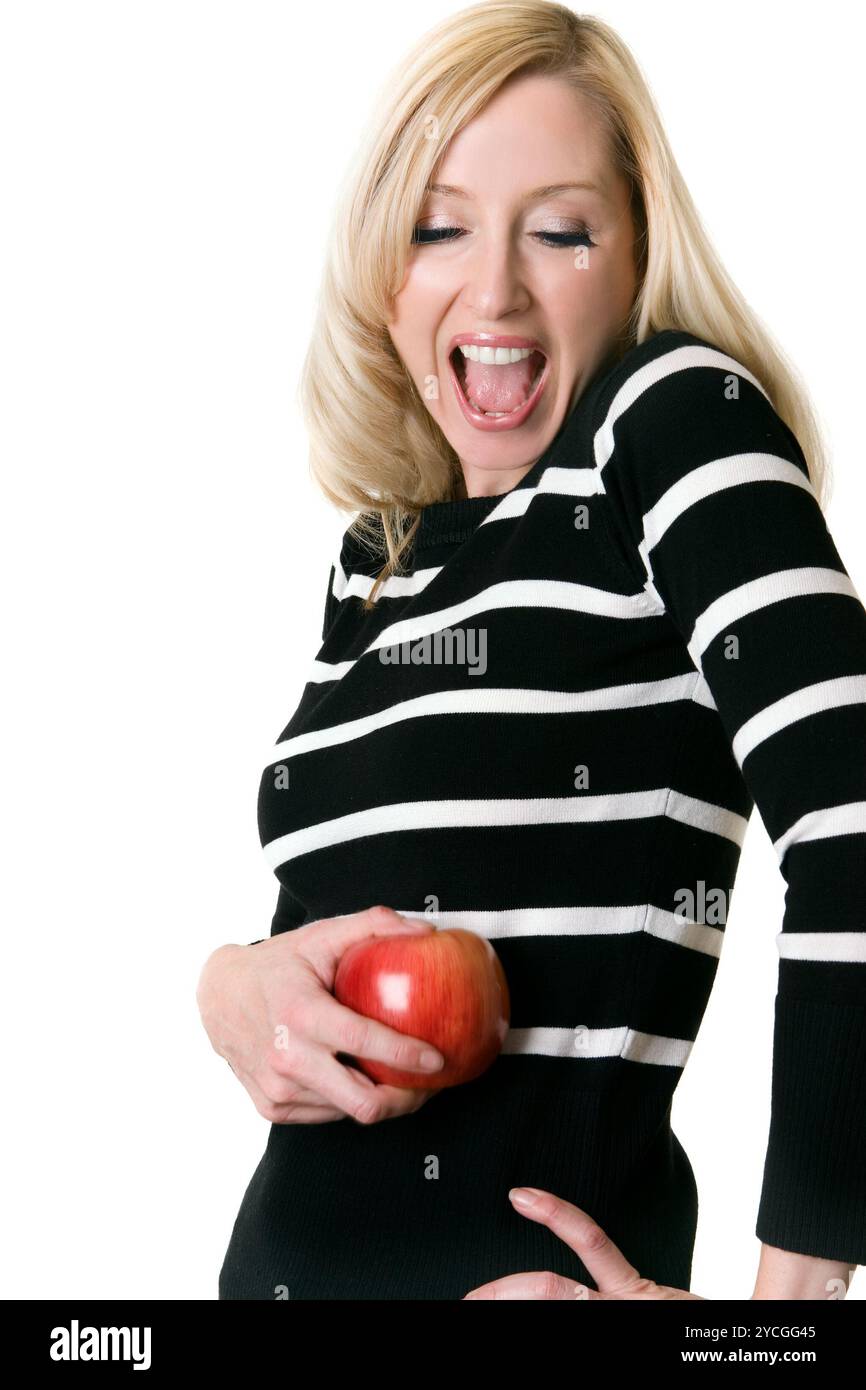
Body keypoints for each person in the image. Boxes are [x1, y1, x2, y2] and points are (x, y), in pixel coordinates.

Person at [196, 2, 866, 1300]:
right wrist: (230, 983)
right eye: (438, 225)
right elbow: (336, 948)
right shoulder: (379, 554)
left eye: (559, 231)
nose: (493, 287)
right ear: (383, 269)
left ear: (633, 257)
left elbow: (854, 809)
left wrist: (781, 1321)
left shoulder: (667, 420)